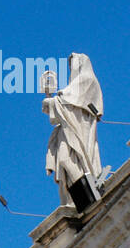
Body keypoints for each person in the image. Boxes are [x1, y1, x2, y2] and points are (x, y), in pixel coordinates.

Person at [42, 53, 104, 206]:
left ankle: (86, 193)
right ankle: (77, 197)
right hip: (67, 129)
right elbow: (62, 104)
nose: (71, 69)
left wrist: (51, 99)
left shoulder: (87, 80)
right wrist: (49, 95)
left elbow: (65, 101)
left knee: (66, 160)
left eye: (72, 65)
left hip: (80, 132)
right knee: (64, 161)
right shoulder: (74, 87)